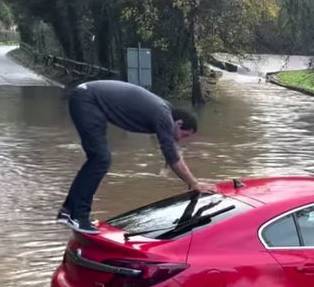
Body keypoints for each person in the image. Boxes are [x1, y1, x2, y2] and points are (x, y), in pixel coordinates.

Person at [57, 80, 214, 234]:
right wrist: (195, 184)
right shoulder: (164, 116)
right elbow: (173, 158)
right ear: (178, 124)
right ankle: (78, 216)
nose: (180, 139)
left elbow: (170, 153)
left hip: (87, 98)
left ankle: (68, 211)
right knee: (100, 159)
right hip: (87, 100)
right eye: (183, 135)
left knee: (98, 159)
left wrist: (173, 161)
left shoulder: (164, 111)